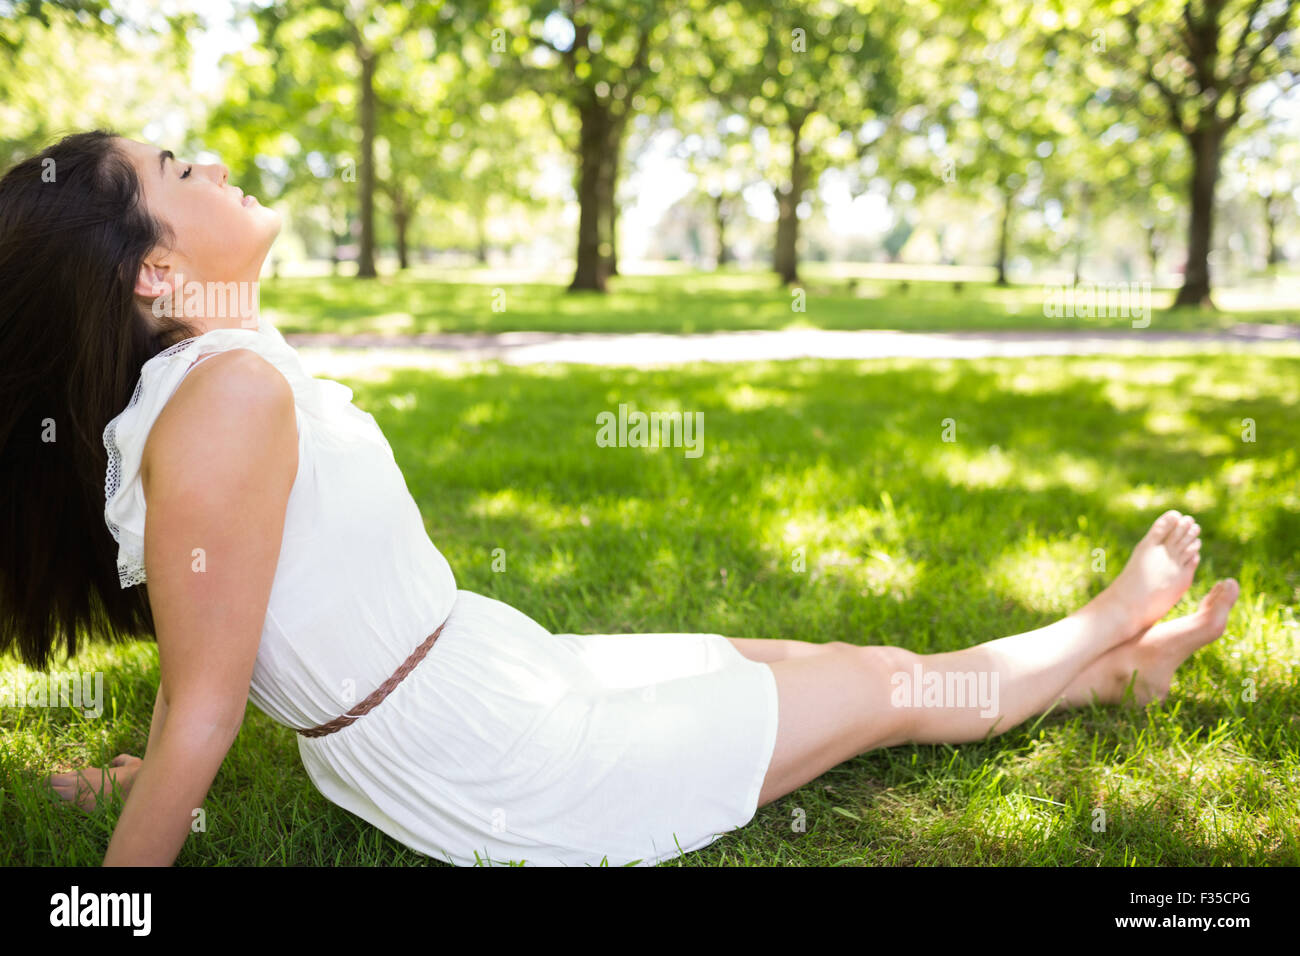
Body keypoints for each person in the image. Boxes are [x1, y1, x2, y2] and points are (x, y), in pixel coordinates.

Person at [1, 130, 1239, 866]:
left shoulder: (222, 370)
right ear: (159, 264)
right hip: (513, 761)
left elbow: (206, 641)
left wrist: (126, 768)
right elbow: (210, 698)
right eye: (175, 166)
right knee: (890, 686)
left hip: (504, 673)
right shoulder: (221, 403)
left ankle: (1114, 677)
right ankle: (1096, 627)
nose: (211, 158)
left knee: (832, 660)